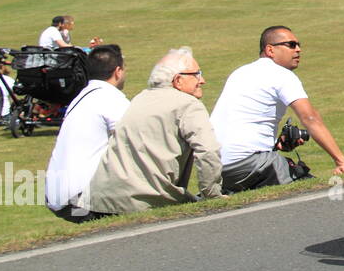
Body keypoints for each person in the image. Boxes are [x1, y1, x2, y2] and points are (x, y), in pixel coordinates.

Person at [211, 26, 344, 192]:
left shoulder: (240, 72)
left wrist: (275, 145)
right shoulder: (281, 75)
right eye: (291, 44)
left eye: (298, 44)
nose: (298, 49)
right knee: (310, 189)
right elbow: (310, 118)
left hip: (214, 167)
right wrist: (340, 160)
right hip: (247, 163)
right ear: (270, 50)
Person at [85, 48, 223, 214]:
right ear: (178, 80)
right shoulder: (188, 104)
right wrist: (212, 194)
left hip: (101, 200)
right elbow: (208, 150)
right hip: (144, 201)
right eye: (197, 74)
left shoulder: (140, 98)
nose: (202, 80)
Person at [44, 45, 130, 222]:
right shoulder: (109, 98)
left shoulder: (82, 97)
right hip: (81, 201)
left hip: (58, 198)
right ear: (118, 71)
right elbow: (135, 138)